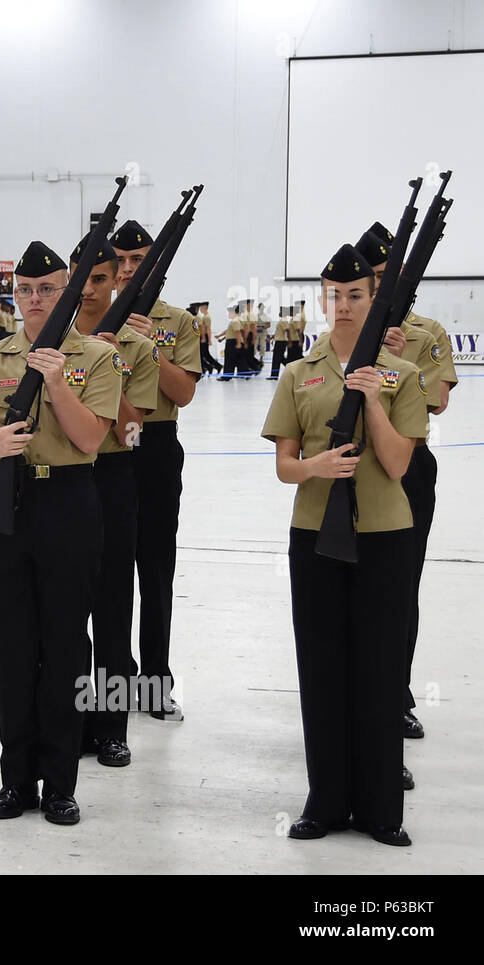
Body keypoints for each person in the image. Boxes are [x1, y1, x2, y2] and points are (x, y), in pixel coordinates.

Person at [261, 243, 425, 847]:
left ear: (373, 300)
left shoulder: (401, 373)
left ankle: (381, 809)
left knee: (378, 669)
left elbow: (398, 461)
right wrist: (316, 466)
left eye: (358, 295)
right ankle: (324, 802)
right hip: (315, 538)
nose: (347, 305)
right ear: (324, 301)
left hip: (385, 535)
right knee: (322, 666)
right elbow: (283, 464)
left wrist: (374, 400)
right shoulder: (298, 374)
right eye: (336, 295)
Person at [0, 240, 121, 825]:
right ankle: (16, 781)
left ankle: (60, 785)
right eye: (25, 290)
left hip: (69, 504)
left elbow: (91, 439)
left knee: (66, 646)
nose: (34, 300)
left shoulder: (96, 359)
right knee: (13, 646)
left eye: (47, 289)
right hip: (8, 505)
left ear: (66, 292)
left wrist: (55, 383)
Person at [356, 225, 458, 748]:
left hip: (408, 467)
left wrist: (399, 365)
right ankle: (347, 698)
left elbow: (437, 400)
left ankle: (395, 697)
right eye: (371, 278)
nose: (380, 286)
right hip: (350, 466)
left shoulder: (427, 333)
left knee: (399, 588)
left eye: (386, 276)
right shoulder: (345, 333)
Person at [69, 233, 157, 766]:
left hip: (114, 476)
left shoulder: (138, 347)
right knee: (66, 609)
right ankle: (74, 722)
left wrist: (108, 364)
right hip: (64, 481)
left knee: (112, 610)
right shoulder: (49, 338)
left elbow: (131, 431)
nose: (90, 290)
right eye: (82, 278)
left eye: (100, 279)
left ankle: (112, 727)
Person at [109, 219, 200, 719]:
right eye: (119, 262)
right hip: (108, 446)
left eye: (136, 260)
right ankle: (116, 678)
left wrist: (147, 348)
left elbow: (183, 391)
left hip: (156, 444)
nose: (126, 271)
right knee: (110, 568)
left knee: (156, 567)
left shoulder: (177, 322)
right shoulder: (94, 317)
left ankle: (155, 680)